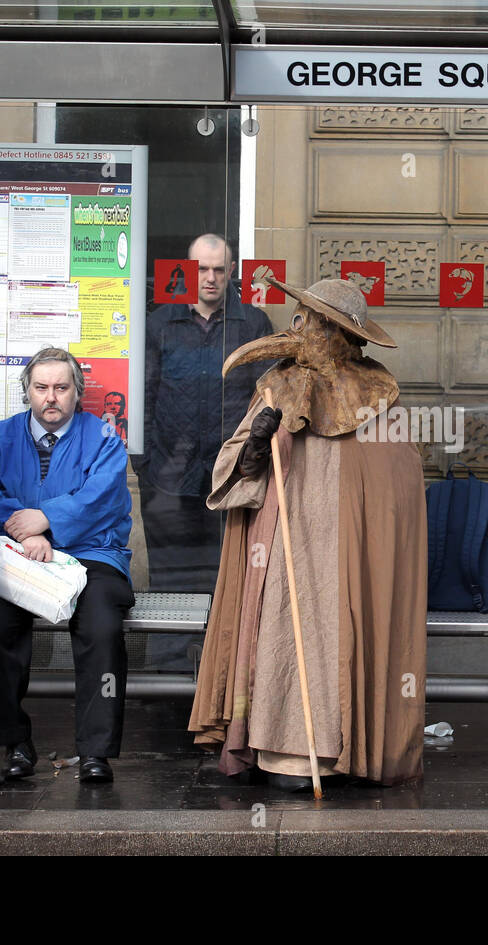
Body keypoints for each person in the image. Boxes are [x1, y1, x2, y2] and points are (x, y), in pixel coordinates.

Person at [188, 272, 426, 791]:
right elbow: (234, 466)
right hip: (282, 539)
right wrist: (255, 443)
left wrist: (367, 527)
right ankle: (282, 753)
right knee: (280, 638)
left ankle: (338, 751)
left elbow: (398, 488)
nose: (300, 328)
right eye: (301, 318)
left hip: (348, 551)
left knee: (339, 636)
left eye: (314, 322)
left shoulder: (378, 397)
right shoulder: (277, 384)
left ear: (342, 336)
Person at [0, 348, 135, 784]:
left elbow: (102, 498)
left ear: (78, 392)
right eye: (41, 387)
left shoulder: (103, 438)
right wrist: (30, 535)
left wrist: (47, 521)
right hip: (18, 556)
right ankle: (15, 744)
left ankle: (96, 752)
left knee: (101, 628)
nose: (51, 397)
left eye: (62, 387)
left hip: (92, 556)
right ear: (27, 391)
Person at [136, 234, 273, 670]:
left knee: (230, 573)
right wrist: (144, 464)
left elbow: (269, 398)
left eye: (219, 269)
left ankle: (226, 670)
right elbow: (143, 395)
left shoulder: (253, 325)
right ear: (187, 270)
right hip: (168, 476)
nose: (210, 278)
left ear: (231, 271)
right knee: (170, 578)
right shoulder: (160, 323)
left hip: (232, 476)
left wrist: (255, 461)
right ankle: (167, 669)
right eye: (202, 269)